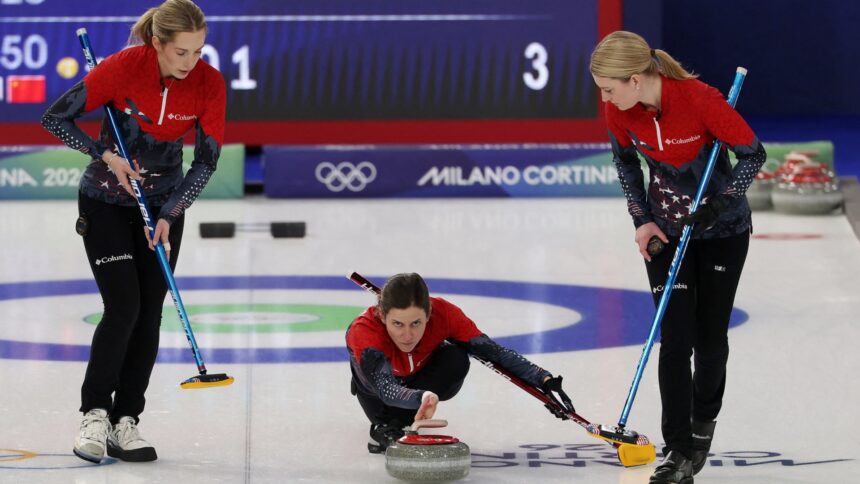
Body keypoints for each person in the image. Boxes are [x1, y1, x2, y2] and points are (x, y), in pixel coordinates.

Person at [41, 0, 225, 464]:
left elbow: (206, 160)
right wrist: (107, 157)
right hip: (104, 203)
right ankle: (95, 413)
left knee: (148, 315)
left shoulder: (209, 83)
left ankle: (127, 421)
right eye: (181, 52)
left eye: (199, 51)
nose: (191, 62)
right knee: (123, 307)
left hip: (161, 210)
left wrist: (171, 213)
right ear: (157, 44)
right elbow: (54, 118)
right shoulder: (125, 68)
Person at [590, 31, 766, 484]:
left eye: (609, 88)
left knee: (709, 343)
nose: (604, 99)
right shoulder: (618, 110)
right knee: (674, 342)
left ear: (634, 79)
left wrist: (720, 203)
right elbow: (626, 164)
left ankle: (702, 429)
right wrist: (641, 221)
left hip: (722, 231)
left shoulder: (701, 100)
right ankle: (677, 451)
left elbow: (752, 154)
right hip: (665, 236)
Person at [346, 273, 571, 454]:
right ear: (383, 316)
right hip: (380, 394)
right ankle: (385, 424)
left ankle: (401, 420)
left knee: (455, 357)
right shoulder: (365, 332)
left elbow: (493, 352)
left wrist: (543, 378)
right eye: (397, 324)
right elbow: (386, 389)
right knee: (386, 400)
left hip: (419, 380)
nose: (407, 335)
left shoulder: (444, 314)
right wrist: (421, 397)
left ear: (429, 313)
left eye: (416, 323)